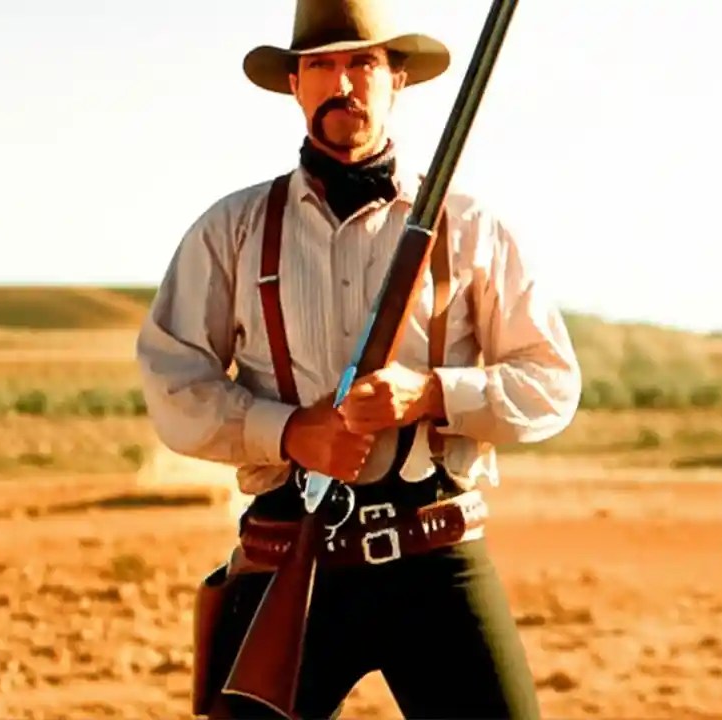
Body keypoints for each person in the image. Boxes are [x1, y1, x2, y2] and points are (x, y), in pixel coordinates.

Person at [134, 0, 582, 717]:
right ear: (295, 84)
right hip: (288, 555)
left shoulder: (469, 227)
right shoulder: (232, 230)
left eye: (362, 63)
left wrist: (432, 394)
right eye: (321, 66)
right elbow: (172, 382)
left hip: (436, 558)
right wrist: (288, 432)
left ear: (396, 77)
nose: (342, 83)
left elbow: (551, 383)